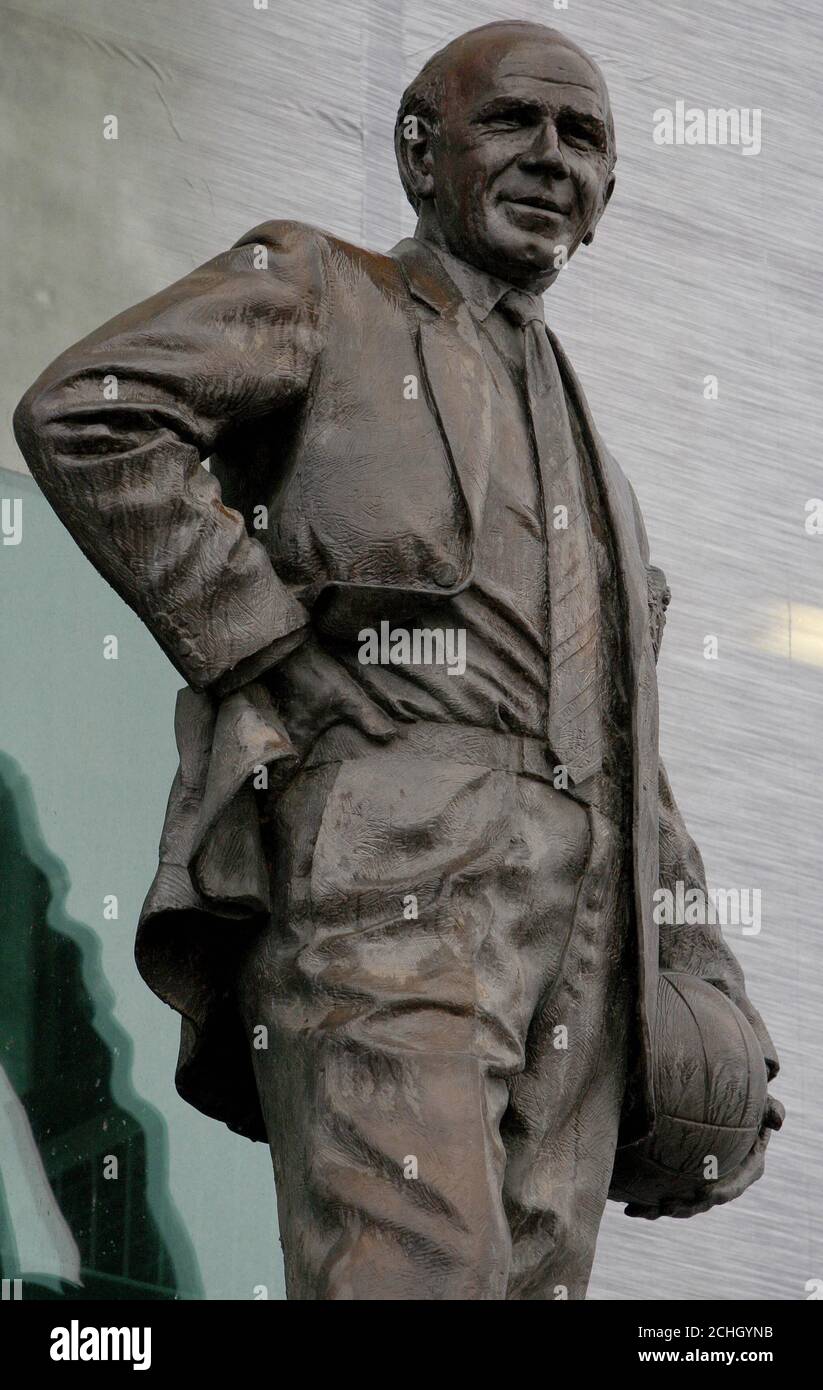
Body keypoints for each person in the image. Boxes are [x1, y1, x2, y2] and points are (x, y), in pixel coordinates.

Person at [14, 20, 781, 1300]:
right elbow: (91, 413)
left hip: (581, 933)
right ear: (419, 154)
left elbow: (632, 766)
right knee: (410, 1276)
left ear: (608, 200)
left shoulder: (608, 478)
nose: (551, 158)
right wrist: (261, 643)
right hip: (389, 877)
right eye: (514, 124)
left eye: (582, 139)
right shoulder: (326, 288)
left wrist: (702, 971)